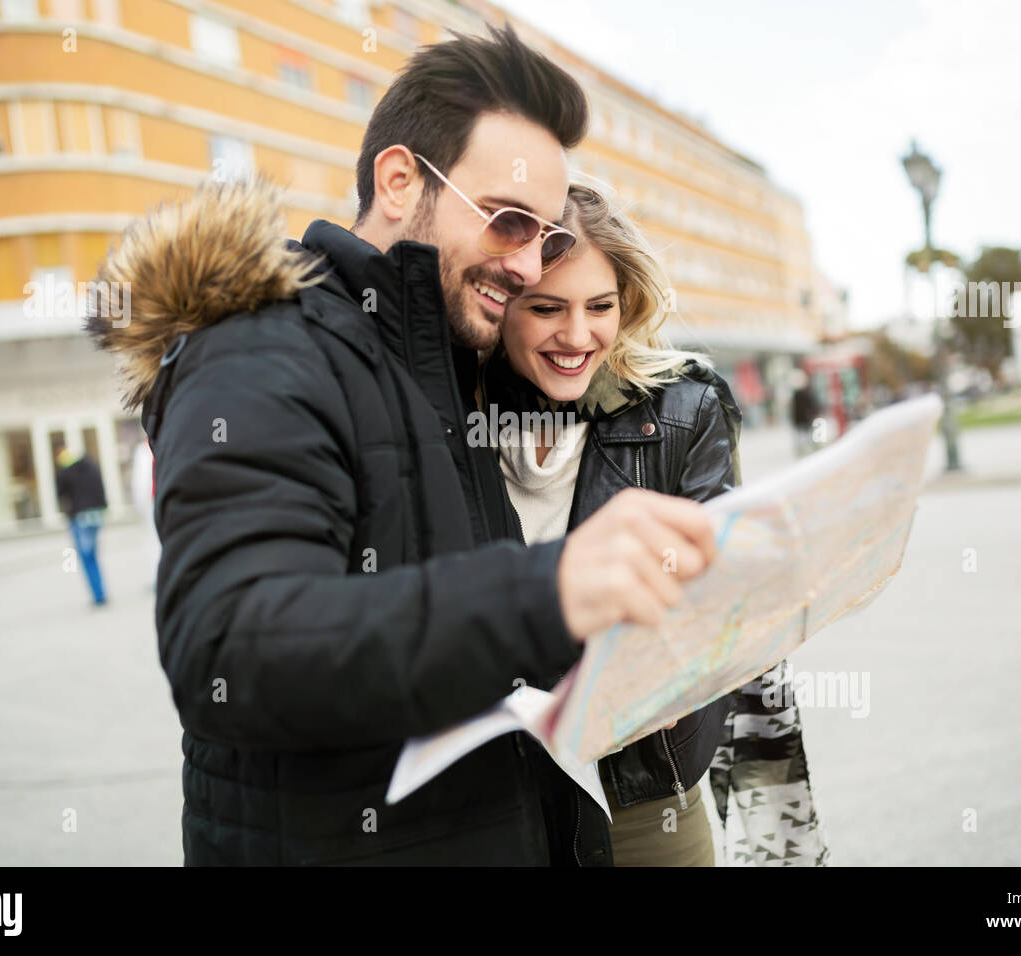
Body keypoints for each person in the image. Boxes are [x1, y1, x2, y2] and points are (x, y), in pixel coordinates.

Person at [86, 24, 717, 866]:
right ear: (398, 180)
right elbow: (229, 647)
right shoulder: (260, 347)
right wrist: (549, 589)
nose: (531, 265)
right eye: (506, 222)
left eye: (548, 237)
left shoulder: (448, 368)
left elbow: (441, 624)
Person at [487, 181, 829, 866]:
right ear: (502, 306)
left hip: (642, 798)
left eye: (601, 306)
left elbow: (725, 603)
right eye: (547, 308)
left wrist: (682, 665)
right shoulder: (442, 415)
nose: (577, 336)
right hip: (494, 801)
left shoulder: (684, 409)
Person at [54, 445, 108, 606]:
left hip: (79, 518)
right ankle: (100, 593)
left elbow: (61, 495)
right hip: (96, 515)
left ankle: (98, 595)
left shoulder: (65, 472)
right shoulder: (91, 466)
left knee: (87, 558)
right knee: (93, 555)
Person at [129, 437, 160, 588]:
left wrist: (141, 506)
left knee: (153, 539)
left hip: (152, 501)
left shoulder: (143, 452)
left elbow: (140, 483)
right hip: (160, 498)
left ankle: (157, 575)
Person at [791, 367, 819, 457]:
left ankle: (805, 449)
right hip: (802, 419)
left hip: (803, 419)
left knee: (804, 436)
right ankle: (805, 449)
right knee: (803, 436)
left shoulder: (801, 393)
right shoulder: (800, 393)